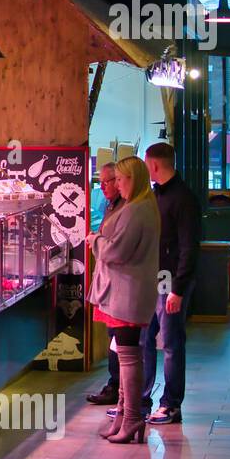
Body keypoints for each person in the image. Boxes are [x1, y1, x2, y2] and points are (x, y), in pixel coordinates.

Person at [86, 156, 161, 445]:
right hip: (126, 291)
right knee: (124, 355)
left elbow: (117, 252)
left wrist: (96, 242)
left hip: (126, 292)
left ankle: (131, 418)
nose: (116, 184)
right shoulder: (141, 206)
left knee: (128, 357)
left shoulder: (136, 210)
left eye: (120, 179)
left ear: (134, 179)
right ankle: (124, 415)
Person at [140, 142, 201, 426]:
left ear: (154, 165)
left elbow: (189, 247)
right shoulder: (155, 195)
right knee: (144, 341)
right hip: (152, 281)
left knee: (172, 343)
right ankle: (141, 399)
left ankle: (171, 404)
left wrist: (178, 288)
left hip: (171, 283)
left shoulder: (183, 198)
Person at [86, 162, 126, 406]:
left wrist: (96, 241)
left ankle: (120, 390)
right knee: (115, 338)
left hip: (120, 286)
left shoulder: (127, 210)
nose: (102, 187)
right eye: (99, 182)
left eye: (107, 181)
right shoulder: (112, 207)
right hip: (110, 284)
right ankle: (116, 386)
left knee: (120, 340)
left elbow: (116, 248)